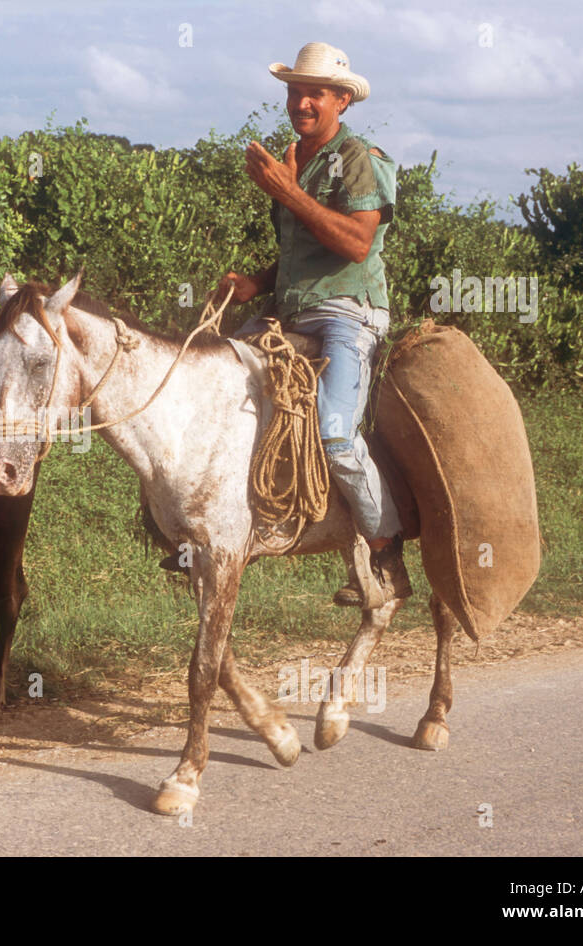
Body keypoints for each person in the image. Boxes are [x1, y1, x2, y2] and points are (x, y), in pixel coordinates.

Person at [219, 42, 410, 608]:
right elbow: (305, 245)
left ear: (342, 101)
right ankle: (226, 531)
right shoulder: (297, 156)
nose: (301, 103)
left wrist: (288, 191)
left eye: (314, 94)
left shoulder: (359, 159)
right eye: (294, 92)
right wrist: (257, 280)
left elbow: (353, 244)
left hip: (348, 311)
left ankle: (385, 554)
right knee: (212, 388)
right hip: (290, 308)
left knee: (334, 434)